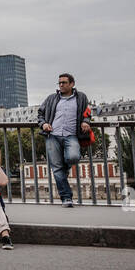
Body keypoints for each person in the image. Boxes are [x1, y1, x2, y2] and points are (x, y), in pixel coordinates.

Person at [38, 73, 92, 208]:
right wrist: (44, 124)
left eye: (64, 82)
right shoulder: (51, 98)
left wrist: (86, 121)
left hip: (71, 135)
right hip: (52, 135)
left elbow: (87, 112)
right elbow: (40, 113)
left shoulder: (81, 97)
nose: (61, 85)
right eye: (59, 83)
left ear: (72, 84)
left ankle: (65, 168)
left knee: (73, 157)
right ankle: (66, 197)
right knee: (56, 168)